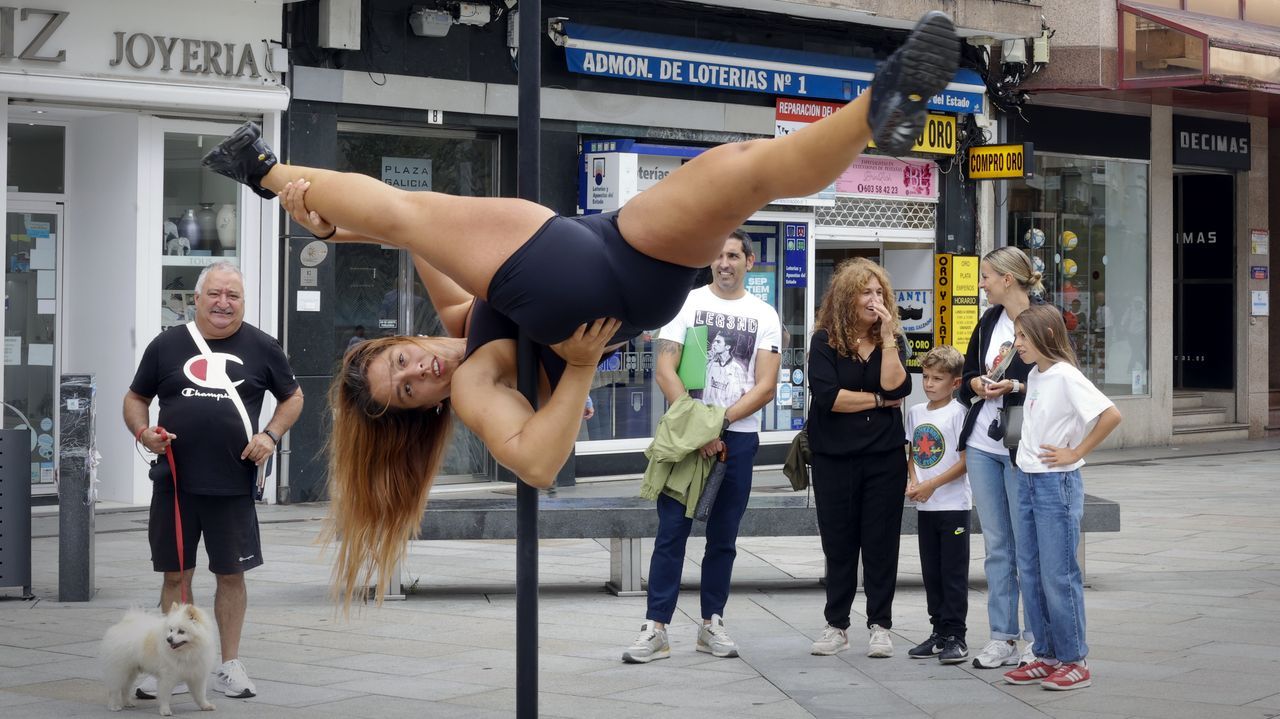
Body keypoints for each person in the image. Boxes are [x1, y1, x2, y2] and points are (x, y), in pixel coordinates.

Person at [204, 12, 960, 606]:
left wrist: (334, 226)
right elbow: (535, 461)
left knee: (744, 170)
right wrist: (578, 372)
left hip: (631, 256)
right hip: (567, 274)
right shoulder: (474, 388)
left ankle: (877, 105)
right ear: (417, 410)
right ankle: (263, 168)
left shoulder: (465, 325)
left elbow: (419, 243)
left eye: (402, 357)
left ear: (402, 340)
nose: (422, 368)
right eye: (408, 387)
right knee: (408, 208)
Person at [123, 262, 304, 699]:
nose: (224, 303)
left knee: (231, 575)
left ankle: (229, 665)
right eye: (215, 294)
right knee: (174, 575)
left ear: (243, 301)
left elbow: (293, 396)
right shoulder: (166, 345)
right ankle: (170, 665)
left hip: (232, 483)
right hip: (175, 482)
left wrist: (270, 434)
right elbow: (135, 397)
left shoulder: (264, 347)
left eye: (233, 296)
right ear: (198, 298)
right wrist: (143, 432)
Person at [621, 231, 781, 664]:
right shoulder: (687, 304)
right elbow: (665, 369)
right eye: (717, 255)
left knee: (723, 538)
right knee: (671, 533)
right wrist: (701, 428)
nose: (724, 263)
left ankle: (712, 623)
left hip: (738, 438)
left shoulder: (764, 314)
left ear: (749, 260)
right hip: (689, 438)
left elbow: (765, 386)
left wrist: (719, 424)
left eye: (733, 255)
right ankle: (655, 627)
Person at [1001, 304, 1121, 691]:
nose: (1017, 344)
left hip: (1057, 483)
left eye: (1023, 336)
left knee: (1058, 573)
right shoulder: (1037, 375)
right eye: (1017, 336)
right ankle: (1047, 655)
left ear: (1046, 336)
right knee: (1031, 571)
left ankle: (1075, 660)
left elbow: (1110, 414)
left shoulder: (1067, 375)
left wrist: (1076, 451)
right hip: (1029, 480)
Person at [806, 258, 911, 658]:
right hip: (835, 457)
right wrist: (882, 402)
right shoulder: (825, 340)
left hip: (883, 458)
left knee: (881, 543)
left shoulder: (893, 340)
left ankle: (880, 625)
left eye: (879, 291)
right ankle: (837, 624)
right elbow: (830, 398)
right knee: (839, 544)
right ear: (848, 297)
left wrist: (887, 340)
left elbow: (896, 385)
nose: (874, 299)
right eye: (866, 292)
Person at [958, 246, 1045, 670]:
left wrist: (1014, 387)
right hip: (982, 444)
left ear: (1008, 279)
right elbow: (965, 379)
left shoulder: (1043, 320)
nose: (982, 283)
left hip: (1020, 446)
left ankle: (1035, 638)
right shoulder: (989, 319)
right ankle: (1001, 636)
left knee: (1026, 544)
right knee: (997, 546)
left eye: (987, 275)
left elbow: (1062, 381)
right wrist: (975, 382)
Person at [904, 345, 972, 665]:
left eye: (937, 378)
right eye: (926, 377)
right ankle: (938, 632)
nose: (929, 384)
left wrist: (931, 485)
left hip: (952, 505)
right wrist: (914, 482)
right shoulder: (916, 412)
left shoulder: (959, 414)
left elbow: (964, 462)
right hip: (925, 506)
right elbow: (913, 452)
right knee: (931, 573)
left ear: (955, 383)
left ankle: (956, 635)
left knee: (952, 573)